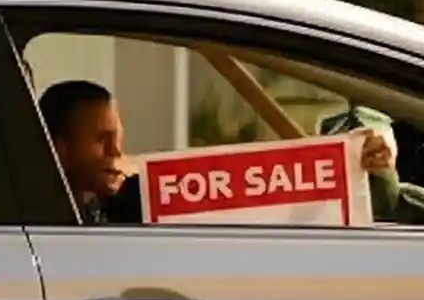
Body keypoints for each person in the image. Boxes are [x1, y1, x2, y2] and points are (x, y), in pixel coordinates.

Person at [37, 80, 395, 224]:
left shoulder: (132, 198)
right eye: (102, 140)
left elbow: (246, 188)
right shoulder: (42, 219)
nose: (118, 151)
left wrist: (366, 147)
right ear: (61, 149)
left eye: (119, 136)